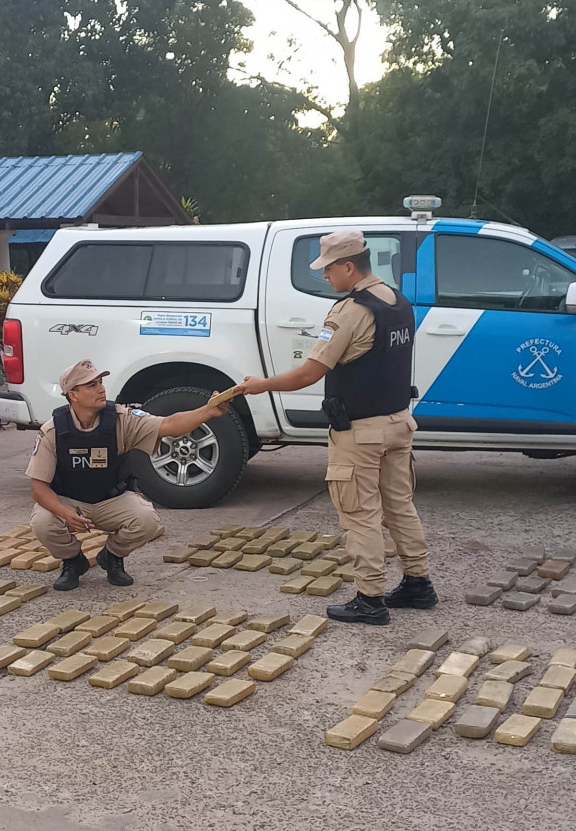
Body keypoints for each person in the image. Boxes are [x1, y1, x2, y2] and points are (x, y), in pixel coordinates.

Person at [241, 230, 432, 625]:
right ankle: (418, 584)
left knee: (360, 514)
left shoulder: (350, 311)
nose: (325, 276)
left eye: (328, 268)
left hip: (360, 431)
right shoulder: (398, 301)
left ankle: (370, 599)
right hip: (398, 422)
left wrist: (261, 386)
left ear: (349, 266)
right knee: (399, 506)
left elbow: (310, 373)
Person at [28, 360, 232, 591]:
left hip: (111, 499)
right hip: (71, 501)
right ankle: (73, 561)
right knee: (43, 521)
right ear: (73, 395)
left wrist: (208, 411)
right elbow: (38, 487)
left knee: (147, 520)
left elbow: (169, 424)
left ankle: (112, 556)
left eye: (100, 382)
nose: (101, 389)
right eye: (91, 385)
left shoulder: (121, 419)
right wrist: (65, 512)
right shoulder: (53, 430)